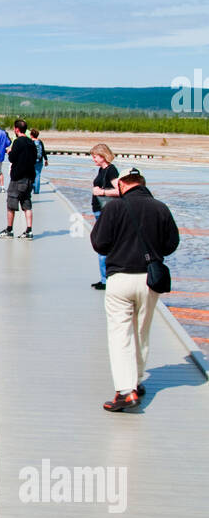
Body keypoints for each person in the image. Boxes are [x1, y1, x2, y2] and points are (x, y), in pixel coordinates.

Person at [90, 168, 179, 412]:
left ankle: (125, 391)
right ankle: (137, 382)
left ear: (123, 186)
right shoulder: (160, 207)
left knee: (121, 335)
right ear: (141, 183)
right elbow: (171, 244)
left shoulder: (114, 208)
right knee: (142, 330)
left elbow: (99, 243)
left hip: (119, 278)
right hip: (150, 279)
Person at [0, 119, 36, 238]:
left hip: (18, 178)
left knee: (11, 204)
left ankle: (9, 230)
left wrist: (10, 151)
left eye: (14, 128)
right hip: (29, 178)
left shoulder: (18, 142)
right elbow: (34, 158)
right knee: (27, 204)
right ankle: (29, 230)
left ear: (17, 129)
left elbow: (12, 158)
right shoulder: (31, 142)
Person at [90, 143, 119, 290]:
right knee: (102, 244)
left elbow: (119, 190)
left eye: (95, 156)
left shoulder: (111, 170)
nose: (93, 159)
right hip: (100, 211)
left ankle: (107, 280)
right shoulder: (102, 170)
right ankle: (104, 278)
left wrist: (102, 192)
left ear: (102, 156)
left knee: (103, 244)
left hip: (105, 211)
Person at [30, 128, 48, 195]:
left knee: (31, 175)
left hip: (31, 161)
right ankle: (36, 191)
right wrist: (46, 160)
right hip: (39, 161)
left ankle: (30, 188)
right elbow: (43, 151)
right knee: (37, 175)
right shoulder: (40, 142)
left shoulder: (30, 141)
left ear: (31, 135)